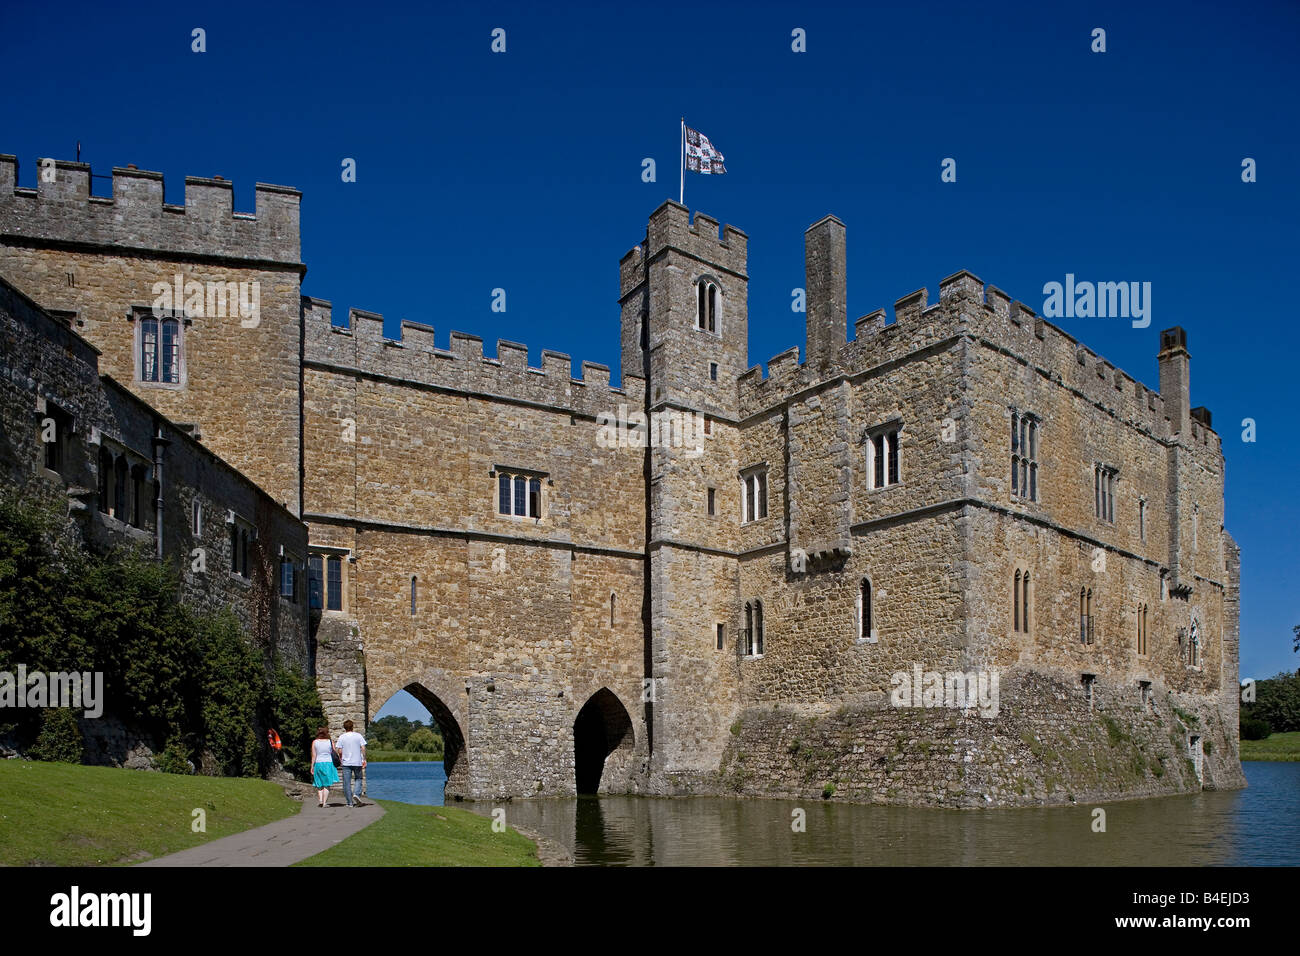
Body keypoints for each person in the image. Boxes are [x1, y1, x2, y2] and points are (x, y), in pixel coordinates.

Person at [336, 719, 368, 807]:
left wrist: (341, 758)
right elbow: (363, 748)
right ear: (352, 727)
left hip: (346, 762)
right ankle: (356, 794)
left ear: (344, 727)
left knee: (346, 783)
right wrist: (364, 759)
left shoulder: (342, 737)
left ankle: (349, 803)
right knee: (358, 779)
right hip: (357, 761)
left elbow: (339, 750)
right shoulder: (358, 736)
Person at [310, 726, 339, 807]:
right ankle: (325, 802)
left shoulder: (315, 742)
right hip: (328, 763)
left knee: (319, 783)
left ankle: (320, 801)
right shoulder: (330, 742)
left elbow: (314, 755)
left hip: (318, 763)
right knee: (327, 784)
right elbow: (334, 752)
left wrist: (312, 766)